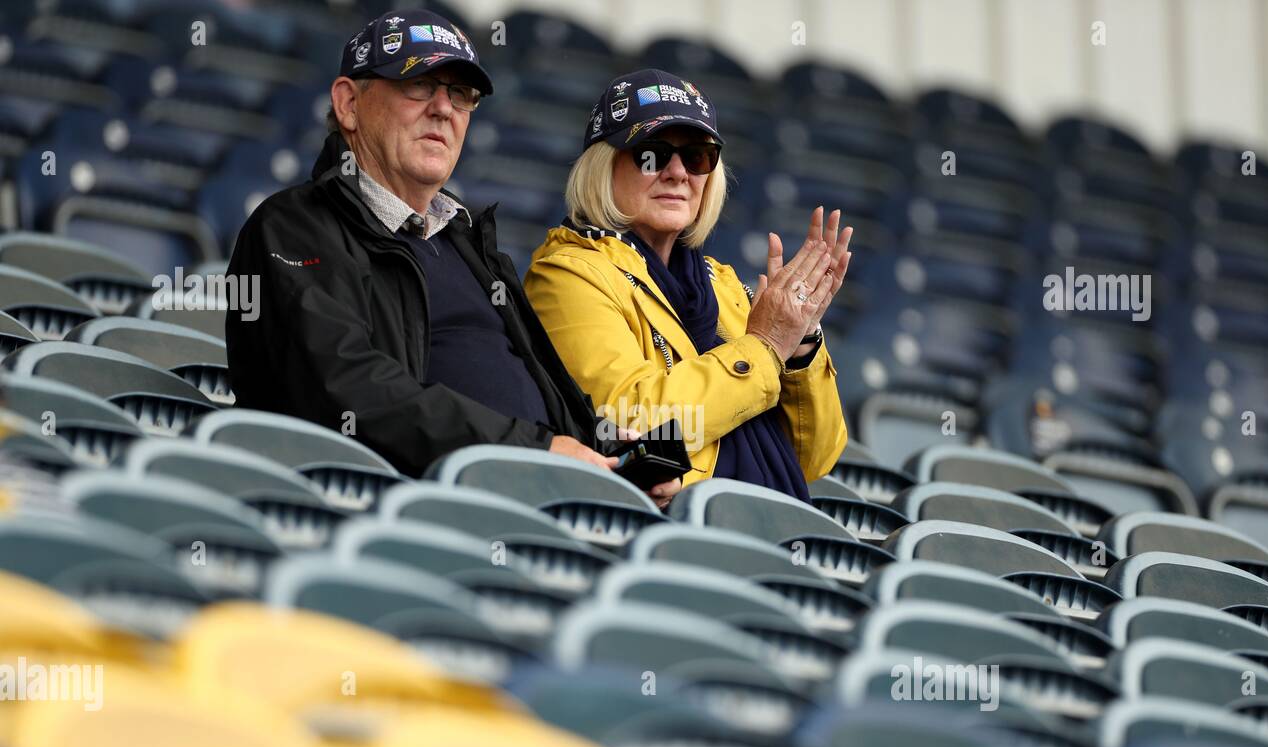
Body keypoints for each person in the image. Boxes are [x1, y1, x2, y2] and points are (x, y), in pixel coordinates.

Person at [224, 11, 680, 507]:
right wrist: (532, 451)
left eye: (461, 94)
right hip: (391, 512)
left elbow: (547, 407)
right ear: (349, 103)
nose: (445, 108)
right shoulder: (293, 226)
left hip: (536, 504)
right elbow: (344, 387)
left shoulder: (470, 245)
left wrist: (612, 453)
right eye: (419, 84)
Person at [525, 69, 849, 501]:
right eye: (651, 154)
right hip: (671, 527)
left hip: (764, 521)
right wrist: (766, 346)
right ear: (603, 166)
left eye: (697, 157)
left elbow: (813, 458)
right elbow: (628, 418)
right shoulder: (567, 273)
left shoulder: (722, 283)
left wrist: (801, 343)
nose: (678, 173)